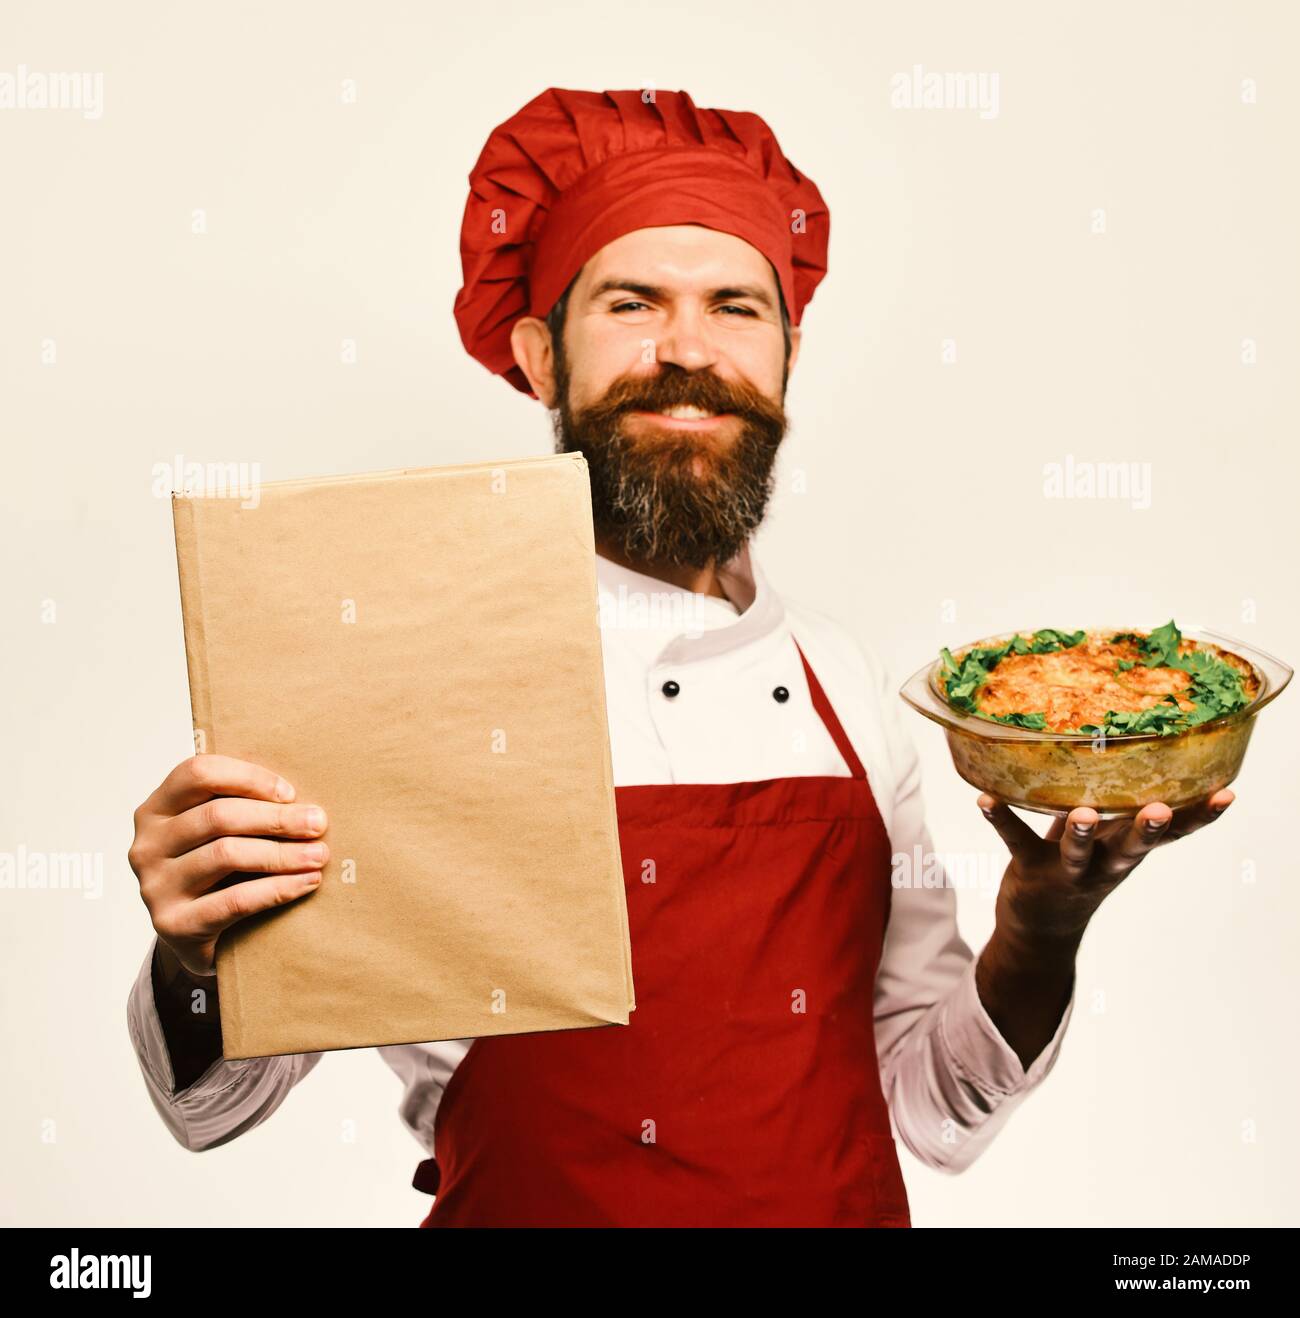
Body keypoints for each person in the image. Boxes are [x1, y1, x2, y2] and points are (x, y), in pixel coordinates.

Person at [126, 88, 1235, 1227]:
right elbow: (213, 1106)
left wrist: (1038, 933)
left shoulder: (844, 681)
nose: (689, 348)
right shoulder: (406, 665)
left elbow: (931, 1104)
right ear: (539, 356)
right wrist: (200, 954)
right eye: (632, 302)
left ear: (785, 358)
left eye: (735, 307)